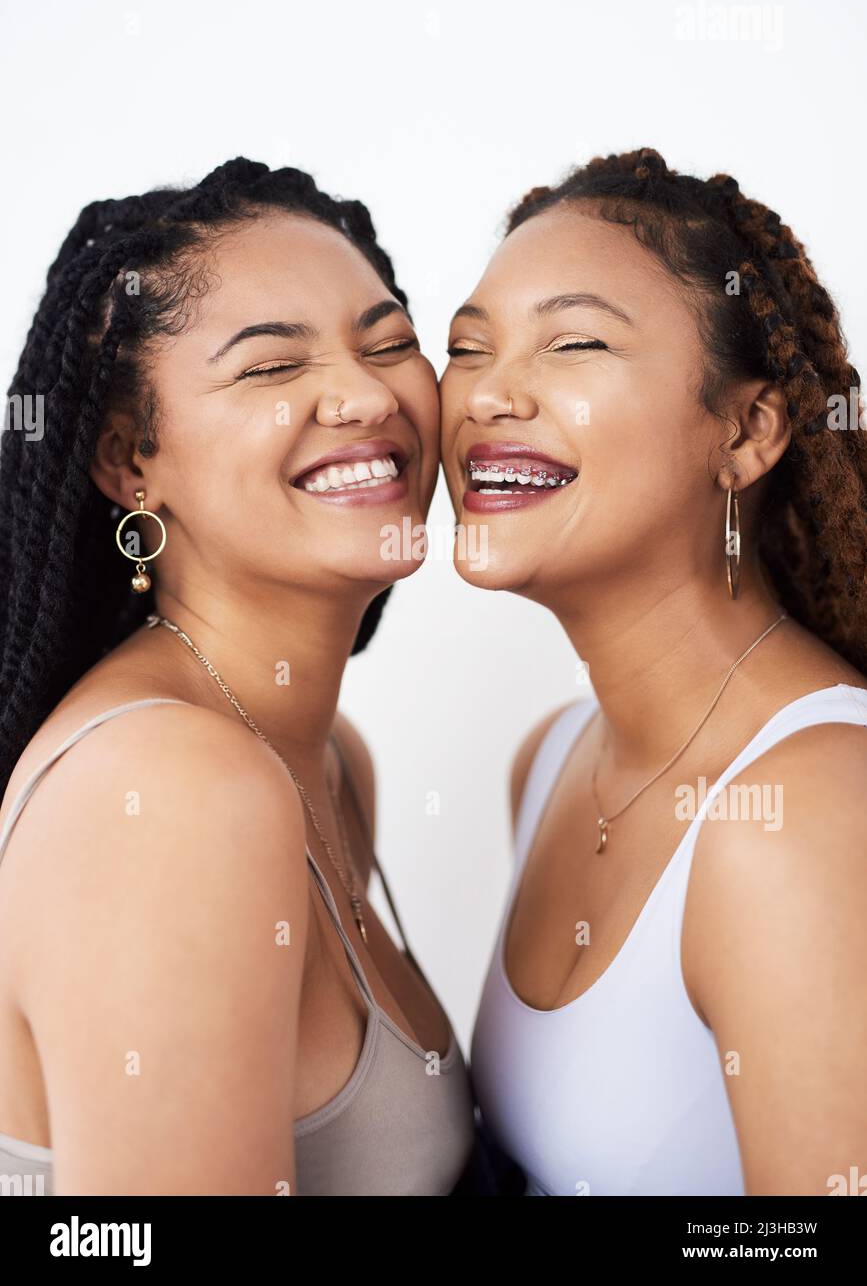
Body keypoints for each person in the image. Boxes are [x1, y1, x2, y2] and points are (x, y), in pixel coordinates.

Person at [0, 157, 476, 1196]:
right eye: (270, 368)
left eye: (389, 342)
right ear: (131, 462)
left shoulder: (328, 763)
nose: (364, 394)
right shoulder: (170, 794)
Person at [439, 147, 867, 1195]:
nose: (489, 391)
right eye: (468, 347)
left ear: (749, 429)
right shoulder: (548, 763)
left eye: (574, 342)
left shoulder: (806, 807)